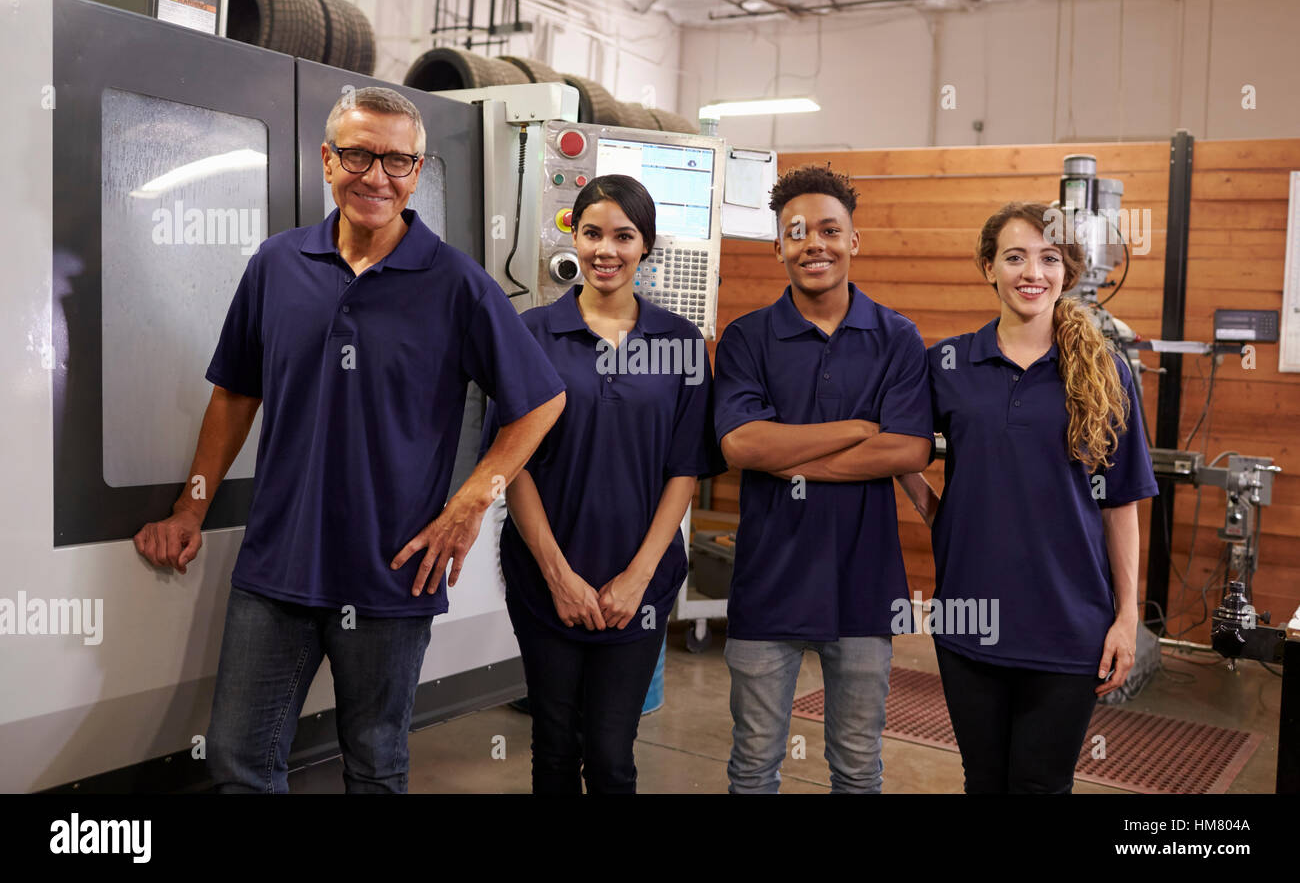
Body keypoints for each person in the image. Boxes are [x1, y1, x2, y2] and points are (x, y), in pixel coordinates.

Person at [133, 86, 566, 793]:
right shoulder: (277, 265)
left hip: (392, 573)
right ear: (329, 161)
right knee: (239, 762)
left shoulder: (455, 282)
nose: (378, 176)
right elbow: (236, 392)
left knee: (374, 766)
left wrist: (472, 502)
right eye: (360, 155)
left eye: (398, 161)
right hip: (277, 566)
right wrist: (191, 508)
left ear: (417, 172)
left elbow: (542, 400)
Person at [899, 201, 1159, 794]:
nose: (1031, 272)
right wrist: (936, 509)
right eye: (1014, 257)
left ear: (1066, 271)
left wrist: (1126, 616)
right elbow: (900, 449)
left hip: (1070, 627)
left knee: (1041, 784)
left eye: (1048, 258)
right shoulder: (946, 363)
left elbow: (1121, 504)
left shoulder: (1106, 371)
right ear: (988, 267)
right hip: (970, 620)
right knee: (983, 781)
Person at [482, 174, 725, 793]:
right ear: (574, 237)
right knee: (555, 745)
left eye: (624, 235)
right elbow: (515, 464)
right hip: (545, 575)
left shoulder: (679, 343)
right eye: (592, 233)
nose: (605, 250)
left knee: (613, 754)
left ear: (645, 246)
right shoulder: (531, 334)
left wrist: (639, 576)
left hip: (639, 580)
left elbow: (684, 468)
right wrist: (558, 575)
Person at [712, 164, 933, 793]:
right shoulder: (746, 338)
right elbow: (741, 444)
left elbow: (911, 450)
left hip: (864, 585)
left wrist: (788, 455)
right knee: (753, 766)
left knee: (858, 768)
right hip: (768, 581)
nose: (815, 244)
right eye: (797, 232)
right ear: (779, 245)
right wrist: (863, 428)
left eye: (830, 230)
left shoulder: (897, 338)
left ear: (853, 241)